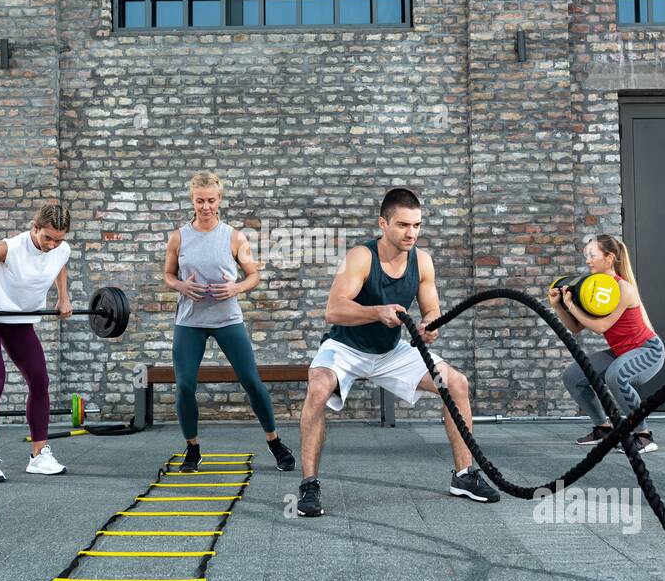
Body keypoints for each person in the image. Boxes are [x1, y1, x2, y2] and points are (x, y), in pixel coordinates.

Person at [295, 187, 499, 517]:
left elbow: (431, 309)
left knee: (456, 384)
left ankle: (463, 475)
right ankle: (309, 484)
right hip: (346, 348)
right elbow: (333, 310)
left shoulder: (422, 261)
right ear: (383, 224)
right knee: (318, 388)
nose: (411, 233)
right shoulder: (361, 257)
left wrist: (430, 325)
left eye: (416, 225)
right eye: (403, 225)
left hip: (391, 351)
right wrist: (377, 312)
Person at [163, 172, 295, 473]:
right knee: (184, 385)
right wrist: (181, 286)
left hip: (227, 318)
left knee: (251, 381)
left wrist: (236, 288)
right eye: (200, 201)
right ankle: (192, 449)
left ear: (219, 199)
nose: (205, 207)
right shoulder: (179, 237)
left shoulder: (235, 237)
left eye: (211, 200)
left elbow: (254, 275)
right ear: (192, 199)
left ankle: (275, 442)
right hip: (190, 321)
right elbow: (168, 275)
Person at [0, 203, 74, 482]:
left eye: (58, 239)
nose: (51, 245)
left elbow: (59, 265)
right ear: (35, 228)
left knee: (40, 380)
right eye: (47, 237)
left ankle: (39, 455)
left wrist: (63, 296)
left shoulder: (61, 249)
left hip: (20, 323)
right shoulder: (9, 248)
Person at [552, 235, 665, 454]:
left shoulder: (623, 289)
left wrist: (572, 307)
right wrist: (559, 306)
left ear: (609, 258)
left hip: (648, 351)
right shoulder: (594, 287)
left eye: (592, 255)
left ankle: (643, 435)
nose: (587, 260)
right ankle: (603, 429)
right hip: (621, 352)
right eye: (586, 256)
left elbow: (601, 326)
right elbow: (576, 327)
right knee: (573, 377)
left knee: (616, 376)